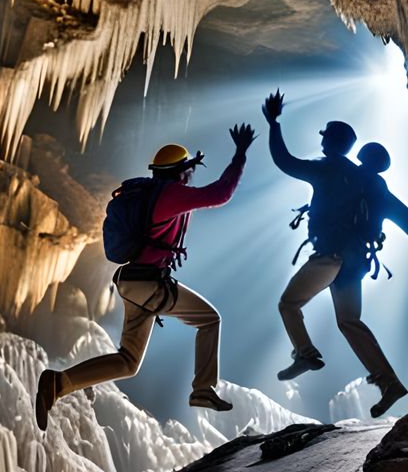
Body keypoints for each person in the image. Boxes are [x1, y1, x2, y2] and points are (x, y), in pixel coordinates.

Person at [35, 123, 254, 430]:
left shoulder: (150, 194)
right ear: (180, 172)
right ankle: (203, 389)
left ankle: (58, 383)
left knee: (127, 361)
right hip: (150, 284)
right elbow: (220, 194)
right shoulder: (170, 195)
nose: (191, 176)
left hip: (132, 284)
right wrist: (240, 154)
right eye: (188, 170)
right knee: (210, 319)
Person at [263, 90, 408, 417]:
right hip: (357, 262)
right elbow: (405, 217)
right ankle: (389, 382)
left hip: (330, 257)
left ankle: (305, 353)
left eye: (325, 138)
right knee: (350, 321)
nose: (322, 143)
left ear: (331, 143)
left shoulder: (327, 169)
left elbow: (285, 162)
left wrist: (274, 124)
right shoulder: (374, 184)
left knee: (288, 304)